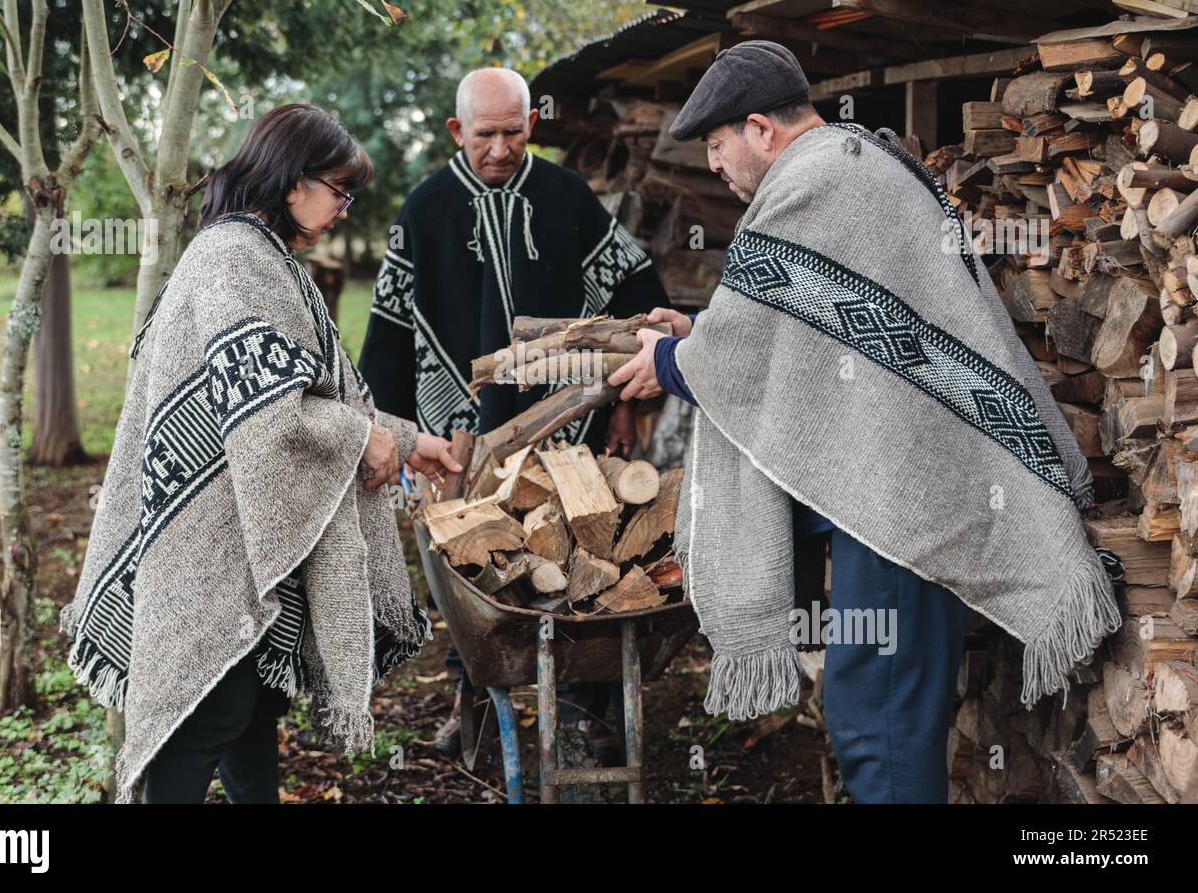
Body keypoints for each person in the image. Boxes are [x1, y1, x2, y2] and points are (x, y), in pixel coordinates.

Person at [607, 41, 1123, 803]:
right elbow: (801, 333)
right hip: (908, 478)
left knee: (875, 721)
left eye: (717, 147)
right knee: (883, 712)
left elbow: (754, 342)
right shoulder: (847, 164)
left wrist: (674, 363)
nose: (714, 166)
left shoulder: (813, 181)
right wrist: (693, 332)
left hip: (902, 500)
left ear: (759, 128)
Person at [59, 103, 462, 804]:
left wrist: (403, 440)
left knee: (247, 714)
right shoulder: (234, 259)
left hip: (231, 532)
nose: (344, 208)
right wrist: (368, 438)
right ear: (292, 180)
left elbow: (307, 398)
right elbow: (271, 422)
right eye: (340, 190)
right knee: (206, 717)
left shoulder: (257, 254)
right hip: (206, 546)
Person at [357, 67, 670, 757]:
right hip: (463, 428)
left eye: (511, 132)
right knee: (471, 565)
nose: (498, 148)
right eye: (483, 135)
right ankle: (471, 690)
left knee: (581, 550)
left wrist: (620, 400)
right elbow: (390, 333)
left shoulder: (566, 196)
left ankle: (585, 710)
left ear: (531, 124)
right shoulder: (427, 207)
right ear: (455, 131)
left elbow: (632, 290)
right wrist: (404, 435)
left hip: (571, 417)